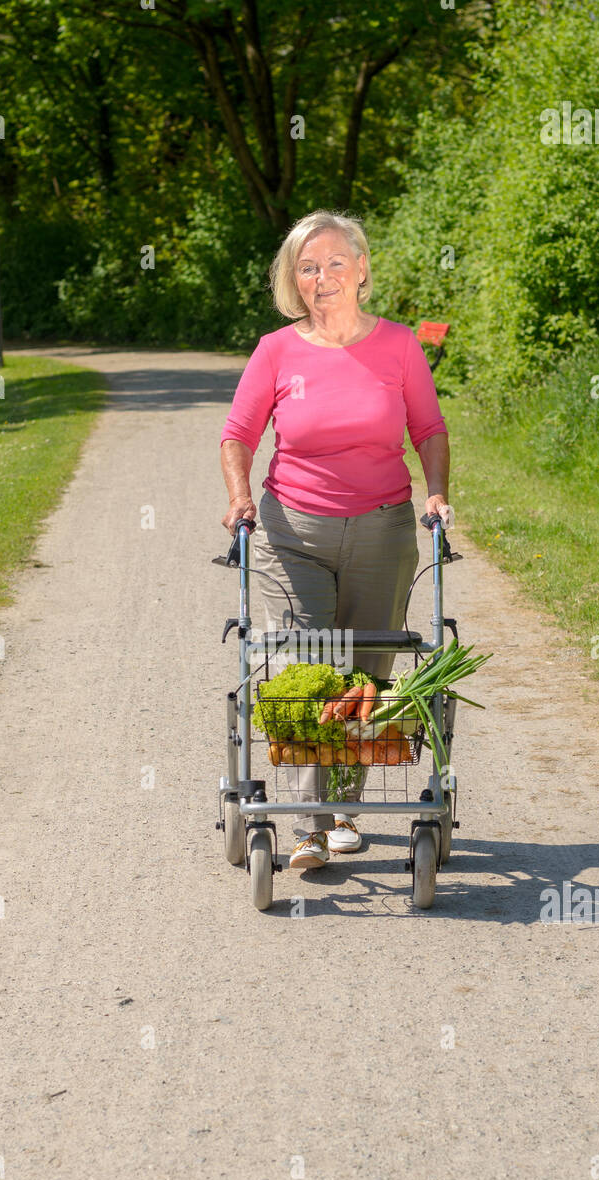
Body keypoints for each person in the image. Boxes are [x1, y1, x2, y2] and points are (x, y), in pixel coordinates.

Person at [220, 209, 452, 870]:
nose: (321, 277)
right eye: (307, 266)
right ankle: (308, 826)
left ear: (361, 271)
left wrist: (433, 492)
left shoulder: (398, 346)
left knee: (364, 674)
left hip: (382, 527)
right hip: (294, 531)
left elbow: (429, 430)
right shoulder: (276, 351)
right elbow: (237, 435)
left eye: (334, 264)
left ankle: (346, 810)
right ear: (294, 280)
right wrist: (240, 499)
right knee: (307, 667)